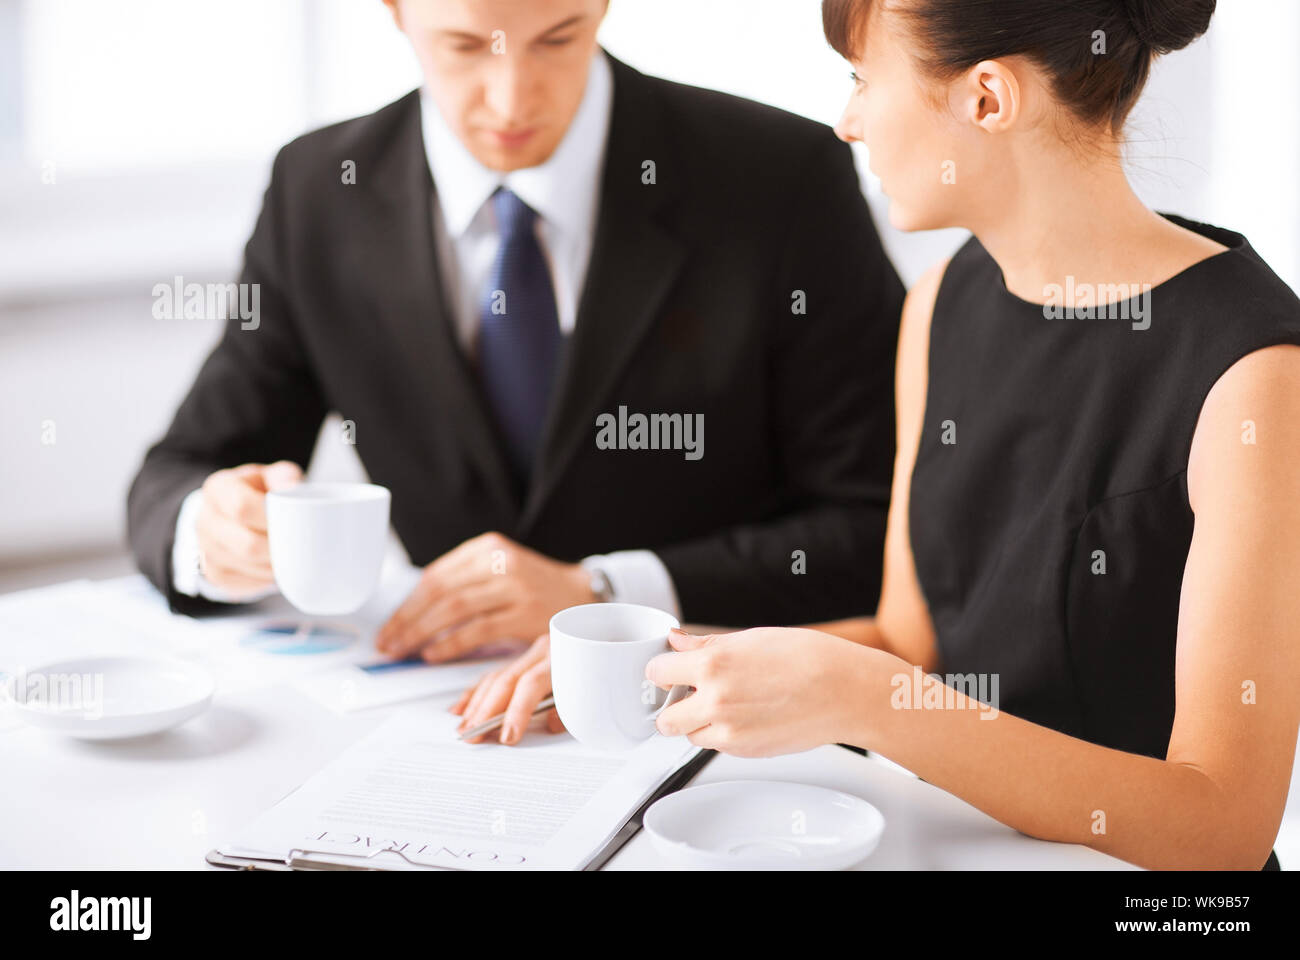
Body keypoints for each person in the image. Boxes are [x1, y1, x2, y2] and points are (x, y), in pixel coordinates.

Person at [461, 0, 1300, 870]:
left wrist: (880, 702)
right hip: (948, 847)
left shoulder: (1254, 372)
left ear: (986, 99)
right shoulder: (942, 303)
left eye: (864, 79)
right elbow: (911, 645)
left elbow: (1223, 827)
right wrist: (659, 667)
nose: (847, 121)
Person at [126, 0, 904, 658]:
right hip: (441, 721)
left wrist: (604, 592)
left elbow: (885, 522)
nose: (511, 101)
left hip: (722, 725)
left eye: (557, 38)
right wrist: (213, 531)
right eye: (465, 47)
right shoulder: (319, 192)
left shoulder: (781, 177)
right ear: (395, 11)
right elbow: (180, 471)